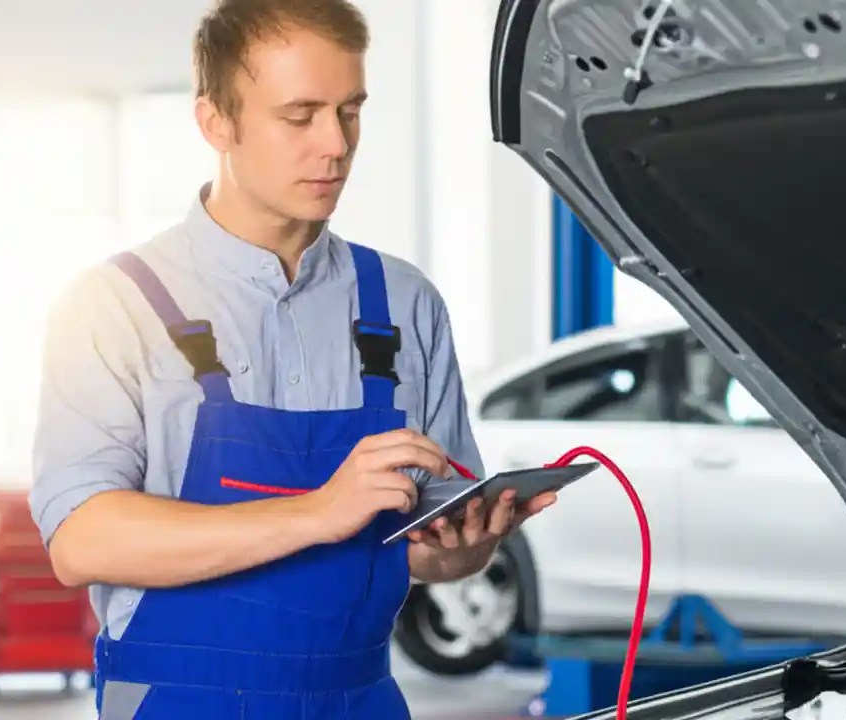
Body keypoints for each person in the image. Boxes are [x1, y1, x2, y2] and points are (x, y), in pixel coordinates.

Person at [29, 1, 557, 717]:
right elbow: (82, 540)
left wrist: (463, 548)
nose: (336, 145)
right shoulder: (114, 304)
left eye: (350, 111)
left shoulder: (405, 302)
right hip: (179, 699)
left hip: (361, 698)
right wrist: (317, 513)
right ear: (216, 122)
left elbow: (425, 549)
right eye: (299, 116)